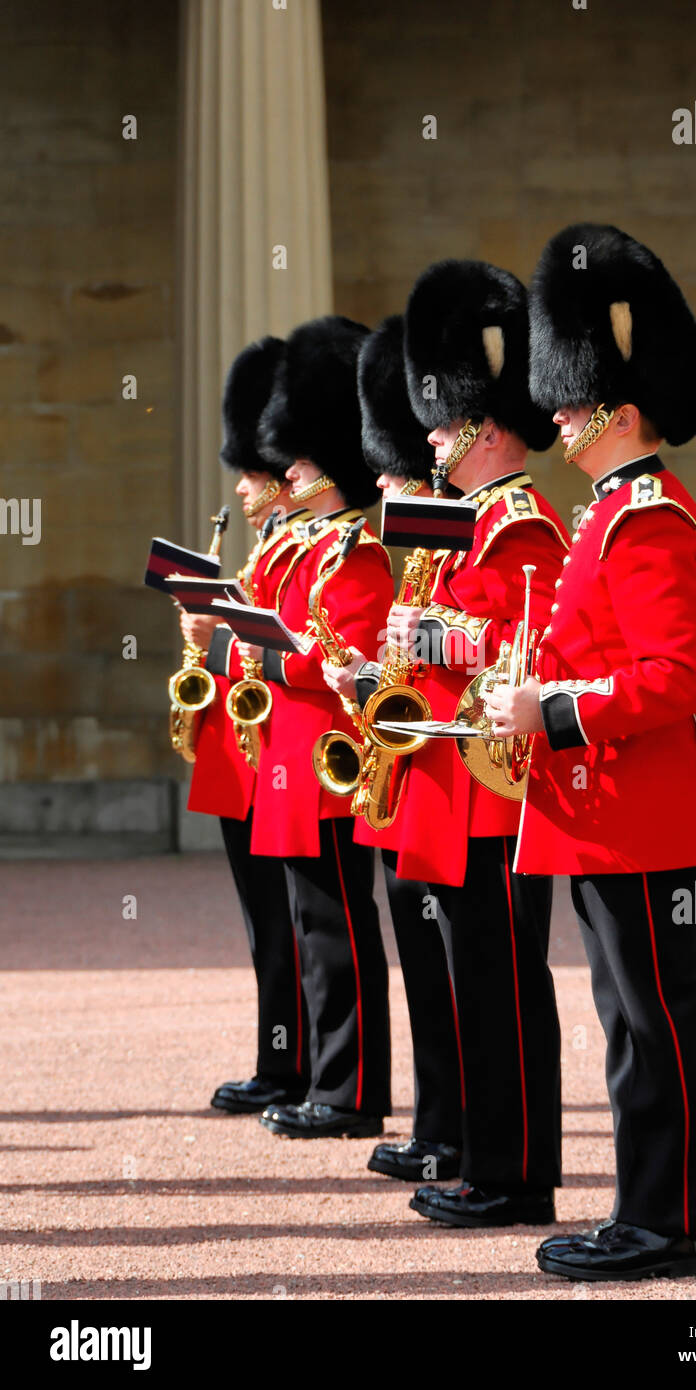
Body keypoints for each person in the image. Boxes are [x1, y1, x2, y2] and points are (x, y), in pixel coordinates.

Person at [486, 223, 696, 1280]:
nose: (553, 412)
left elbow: (675, 676)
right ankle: (643, 1205)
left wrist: (552, 713)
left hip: (632, 811)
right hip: (601, 810)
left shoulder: (648, 523)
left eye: (570, 399)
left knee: (654, 1022)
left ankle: (664, 1221)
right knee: (628, 1022)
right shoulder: (602, 519)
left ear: (618, 411)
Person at [351, 262, 570, 1227]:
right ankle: (487, 1156)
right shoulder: (461, 527)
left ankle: (514, 1173)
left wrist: (427, 638)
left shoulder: (520, 526)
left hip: (496, 791)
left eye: (443, 425)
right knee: (474, 983)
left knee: (505, 987)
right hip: (451, 786)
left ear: (485, 429)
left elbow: (528, 646)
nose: (432, 439)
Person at [239, 316, 395, 1140]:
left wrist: (268, 659)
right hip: (287, 762)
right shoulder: (303, 550)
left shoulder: (353, 556)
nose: (284, 470)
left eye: (296, 458)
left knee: (338, 927)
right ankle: (326, 1081)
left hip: (325, 767)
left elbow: (334, 655)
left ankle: (351, 1090)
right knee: (311, 927)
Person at [323, 314, 464, 1183]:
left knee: (457, 979)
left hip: (453, 781)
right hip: (409, 774)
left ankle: (461, 1134)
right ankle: (438, 1121)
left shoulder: (448, 526)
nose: (377, 477)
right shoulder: (415, 535)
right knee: (428, 970)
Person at [179, 337, 311, 1115]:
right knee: (265, 923)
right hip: (243, 744)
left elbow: (285, 648)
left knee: (289, 920)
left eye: (254, 473)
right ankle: (277, 1054)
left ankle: (293, 1062)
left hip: (279, 753)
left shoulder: (304, 547)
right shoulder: (267, 546)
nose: (244, 485)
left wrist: (220, 633)